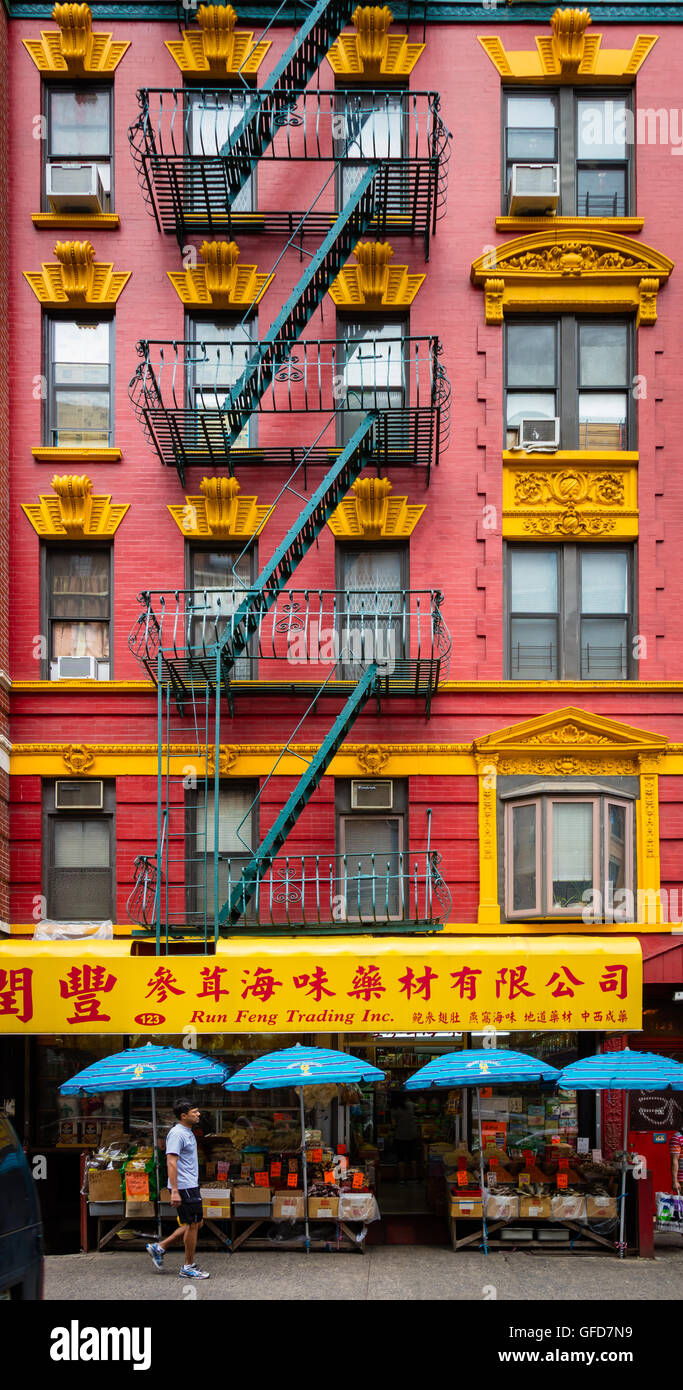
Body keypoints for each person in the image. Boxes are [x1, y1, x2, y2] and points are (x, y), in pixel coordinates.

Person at [146, 1099, 210, 1279]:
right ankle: (188, 1267)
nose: (198, 1114)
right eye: (194, 1112)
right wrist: (174, 1190)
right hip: (184, 1186)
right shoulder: (177, 1134)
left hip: (190, 1185)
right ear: (183, 1116)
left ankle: (159, 1247)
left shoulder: (187, 1131)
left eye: (198, 1111)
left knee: (197, 1223)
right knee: (192, 1225)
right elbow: (171, 1162)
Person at [393, 1094, 420, 1184]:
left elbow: (393, 1124)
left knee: (400, 1158)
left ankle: (402, 1179)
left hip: (400, 1136)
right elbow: (418, 1106)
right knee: (413, 1157)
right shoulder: (410, 1104)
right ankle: (414, 1177)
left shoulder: (394, 1108)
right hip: (412, 1135)